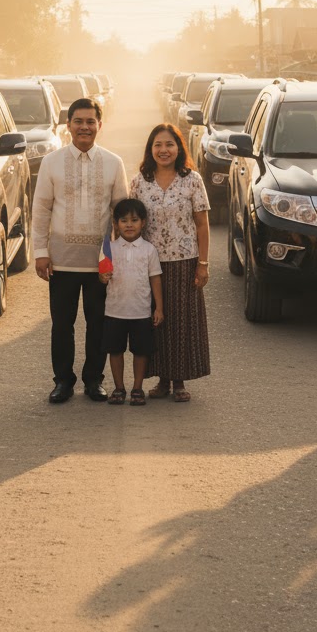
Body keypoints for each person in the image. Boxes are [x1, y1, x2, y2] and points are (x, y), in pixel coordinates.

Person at [33, 97, 128, 403]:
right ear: (68, 126)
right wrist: (40, 252)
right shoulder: (52, 162)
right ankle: (62, 381)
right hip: (61, 260)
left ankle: (93, 380)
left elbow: (122, 213)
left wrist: (119, 258)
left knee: (98, 323)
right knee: (62, 324)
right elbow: (41, 210)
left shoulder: (114, 163)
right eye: (78, 121)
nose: (84, 127)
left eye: (90, 122)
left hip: (100, 262)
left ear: (100, 125)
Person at [129, 123, 211, 402]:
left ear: (179, 148)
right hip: (149, 263)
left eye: (169, 145)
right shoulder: (140, 181)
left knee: (182, 322)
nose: (163, 150)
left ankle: (179, 381)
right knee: (155, 321)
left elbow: (202, 224)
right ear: (150, 150)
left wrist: (203, 263)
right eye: (158, 145)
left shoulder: (192, 180)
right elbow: (131, 221)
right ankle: (162, 379)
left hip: (184, 262)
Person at [98, 198, 164, 406]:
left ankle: (137, 388)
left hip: (141, 312)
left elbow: (155, 278)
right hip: (115, 311)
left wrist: (159, 308)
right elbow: (102, 275)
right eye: (124, 220)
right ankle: (119, 388)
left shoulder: (148, 250)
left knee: (141, 351)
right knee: (115, 350)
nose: (129, 225)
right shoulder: (108, 248)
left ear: (143, 223)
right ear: (116, 223)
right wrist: (103, 277)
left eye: (134, 220)